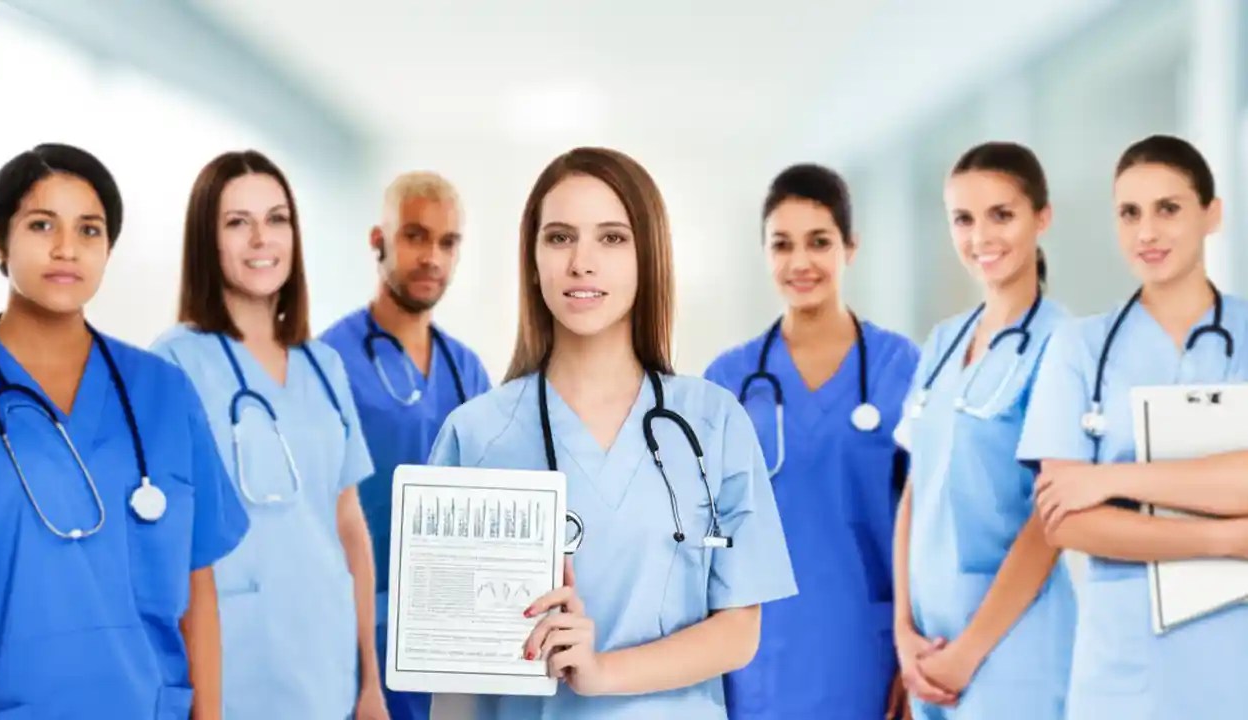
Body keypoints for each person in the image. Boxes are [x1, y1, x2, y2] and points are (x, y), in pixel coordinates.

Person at [424, 146, 797, 719]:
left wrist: (602, 672)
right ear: (532, 261)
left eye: (612, 238)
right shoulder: (475, 435)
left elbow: (738, 631)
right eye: (559, 237)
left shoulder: (712, 421)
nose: (582, 262)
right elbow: (455, 675)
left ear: (649, 256)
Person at [0, 143, 248, 718]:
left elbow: (198, 582)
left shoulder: (163, 392)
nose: (67, 248)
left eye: (89, 230)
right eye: (41, 224)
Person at [1018, 134, 1248, 719]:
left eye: (1168, 208)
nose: (1147, 232)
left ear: (1212, 214)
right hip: (1126, 671)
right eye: (1129, 213)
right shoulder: (1078, 348)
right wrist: (1226, 539)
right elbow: (1064, 521)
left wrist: (1109, 480)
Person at [151, 150, 386, 720]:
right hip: (236, 664)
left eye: (276, 219)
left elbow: (349, 526)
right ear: (207, 241)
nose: (262, 238)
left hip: (327, 663)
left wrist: (371, 682)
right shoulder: (175, 362)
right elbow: (165, 542)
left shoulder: (324, 366)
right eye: (238, 222)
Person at [703, 163, 919, 720]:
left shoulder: (902, 368)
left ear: (851, 247)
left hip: (868, 652)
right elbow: (700, 535)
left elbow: (930, 522)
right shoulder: (728, 381)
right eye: (782, 244)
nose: (800, 262)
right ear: (765, 254)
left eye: (819, 242)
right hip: (757, 657)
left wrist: (915, 653)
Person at [893, 141, 1076, 720]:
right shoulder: (943, 342)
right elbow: (916, 487)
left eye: (1002, 215)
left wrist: (968, 653)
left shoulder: (1064, 345)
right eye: (964, 219)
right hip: (928, 644)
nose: (981, 237)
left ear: (1042, 218)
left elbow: (1050, 519)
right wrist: (903, 631)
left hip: (1011, 644)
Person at [319, 171, 491, 720]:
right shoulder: (329, 360)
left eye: (448, 242)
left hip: (449, 635)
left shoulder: (467, 369)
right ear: (379, 241)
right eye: (415, 236)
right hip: (354, 635)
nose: (432, 257)